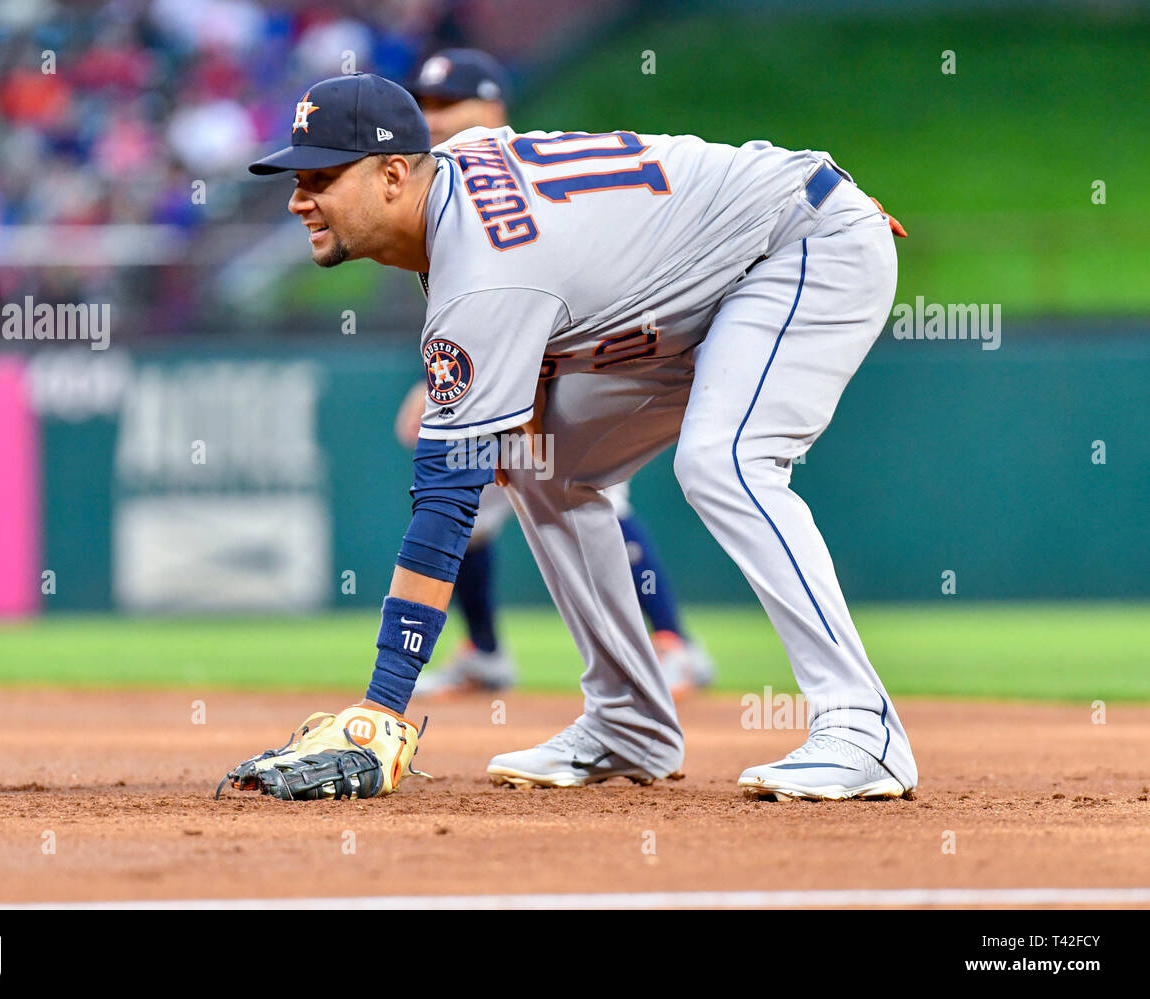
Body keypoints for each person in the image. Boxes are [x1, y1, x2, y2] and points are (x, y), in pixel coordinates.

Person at [218, 72, 917, 803]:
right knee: (536, 459)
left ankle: (863, 728)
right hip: (694, 297)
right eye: (297, 175)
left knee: (726, 461)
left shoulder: (485, 271)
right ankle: (628, 721)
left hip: (805, 239)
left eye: (322, 176)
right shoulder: (454, 184)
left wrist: (384, 703)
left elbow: (446, 501)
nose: (299, 197)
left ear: (395, 174)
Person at [399, 48, 714, 700]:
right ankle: (484, 653)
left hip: (588, 349)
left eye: (447, 105)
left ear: (491, 109)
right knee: (473, 503)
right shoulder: (443, 194)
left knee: (586, 488)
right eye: (424, 107)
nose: (432, 120)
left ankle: (673, 645)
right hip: (522, 359)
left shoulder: (503, 173)